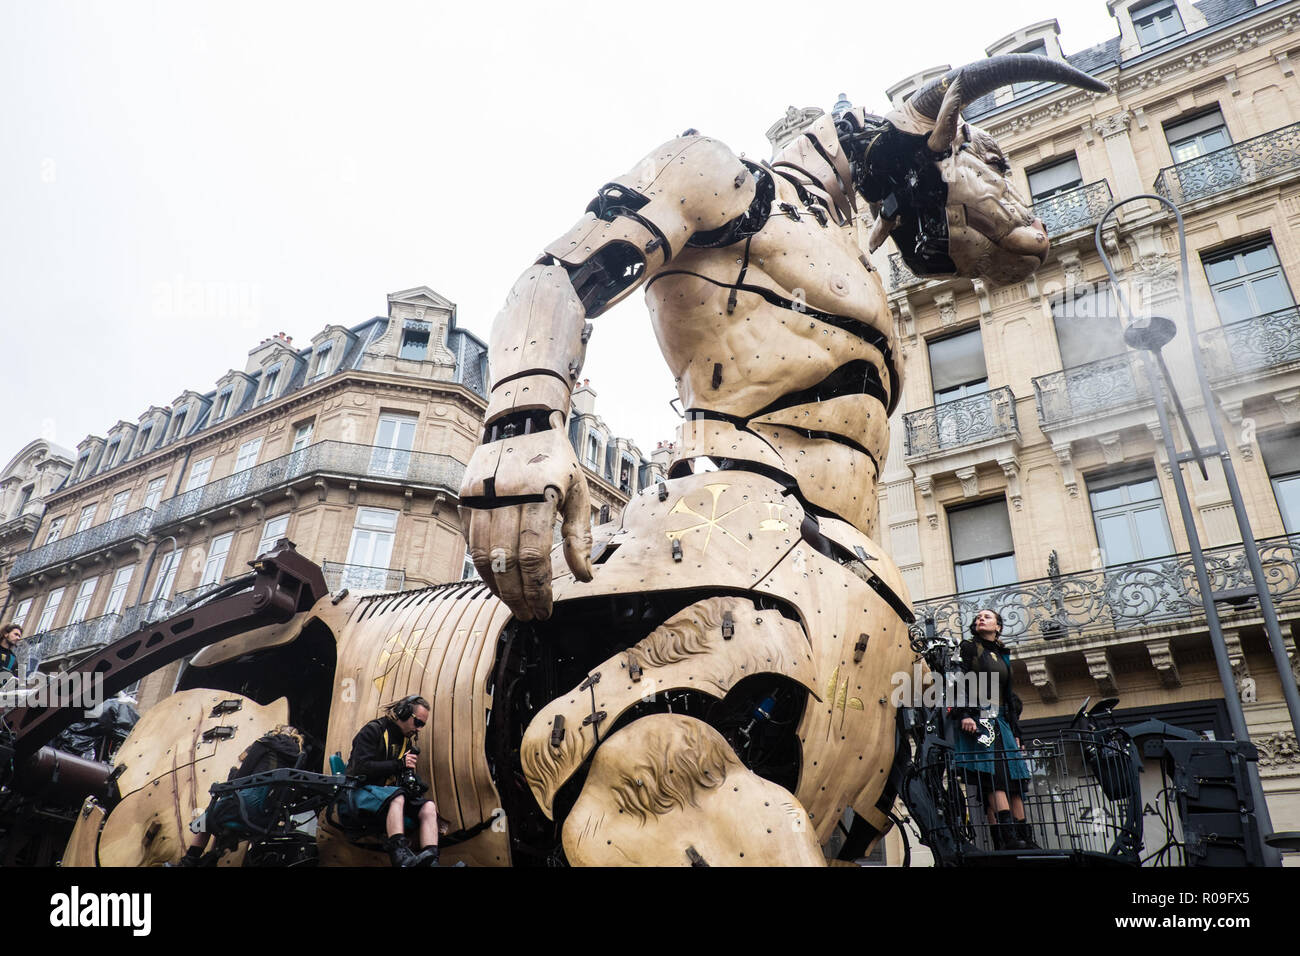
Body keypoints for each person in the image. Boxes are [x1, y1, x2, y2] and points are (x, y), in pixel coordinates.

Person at [951, 609, 1035, 851]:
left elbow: (1008, 696)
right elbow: (957, 679)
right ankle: (1008, 838)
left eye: (986, 617)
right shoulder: (969, 647)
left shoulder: (1002, 653)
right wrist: (965, 713)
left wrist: (1018, 732)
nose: (980, 619)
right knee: (996, 776)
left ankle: (1024, 837)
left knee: (1017, 779)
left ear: (998, 626)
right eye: (977, 617)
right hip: (980, 718)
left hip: (1002, 720)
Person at [340, 695, 440, 867]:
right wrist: (399, 764)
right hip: (359, 791)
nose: (419, 729)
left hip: (385, 795)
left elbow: (398, 774)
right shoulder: (373, 730)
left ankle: (432, 860)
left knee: (428, 807)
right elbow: (360, 768)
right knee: (397, 796)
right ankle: (400, 857)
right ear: (403, 713)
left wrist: (412, 782)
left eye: (422, 725)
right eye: (418, 723)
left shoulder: (405, 742)